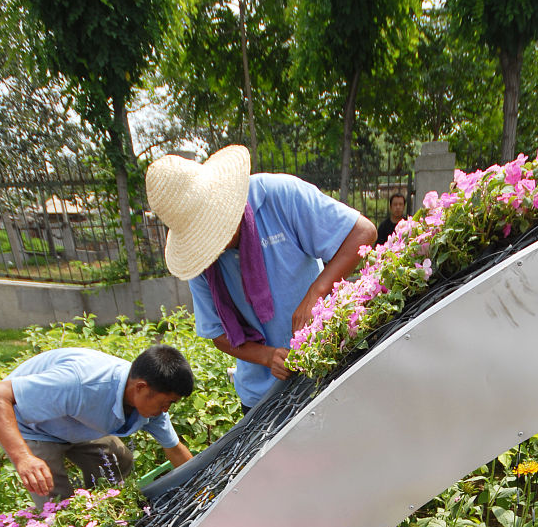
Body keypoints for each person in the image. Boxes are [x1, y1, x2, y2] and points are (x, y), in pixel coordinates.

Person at [146, 145, 377, 413]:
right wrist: (268, 356)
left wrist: (316, 292)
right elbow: (218, 333)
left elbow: (362, 233)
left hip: (322, 369)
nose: (216, 247)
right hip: (260, 398)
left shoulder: (279, 196)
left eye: (215, 233)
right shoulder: (200, 260)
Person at [0, 345, 194, 508]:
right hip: (33, 426)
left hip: (76, 420)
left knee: (117, 460)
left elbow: (175, 450)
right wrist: (23, 458)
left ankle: (104, 513)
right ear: (141, 387)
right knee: (55, 504)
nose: (166, 410)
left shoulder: (150, 405)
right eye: (167, 402)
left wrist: (203, 492)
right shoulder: (80, 382)